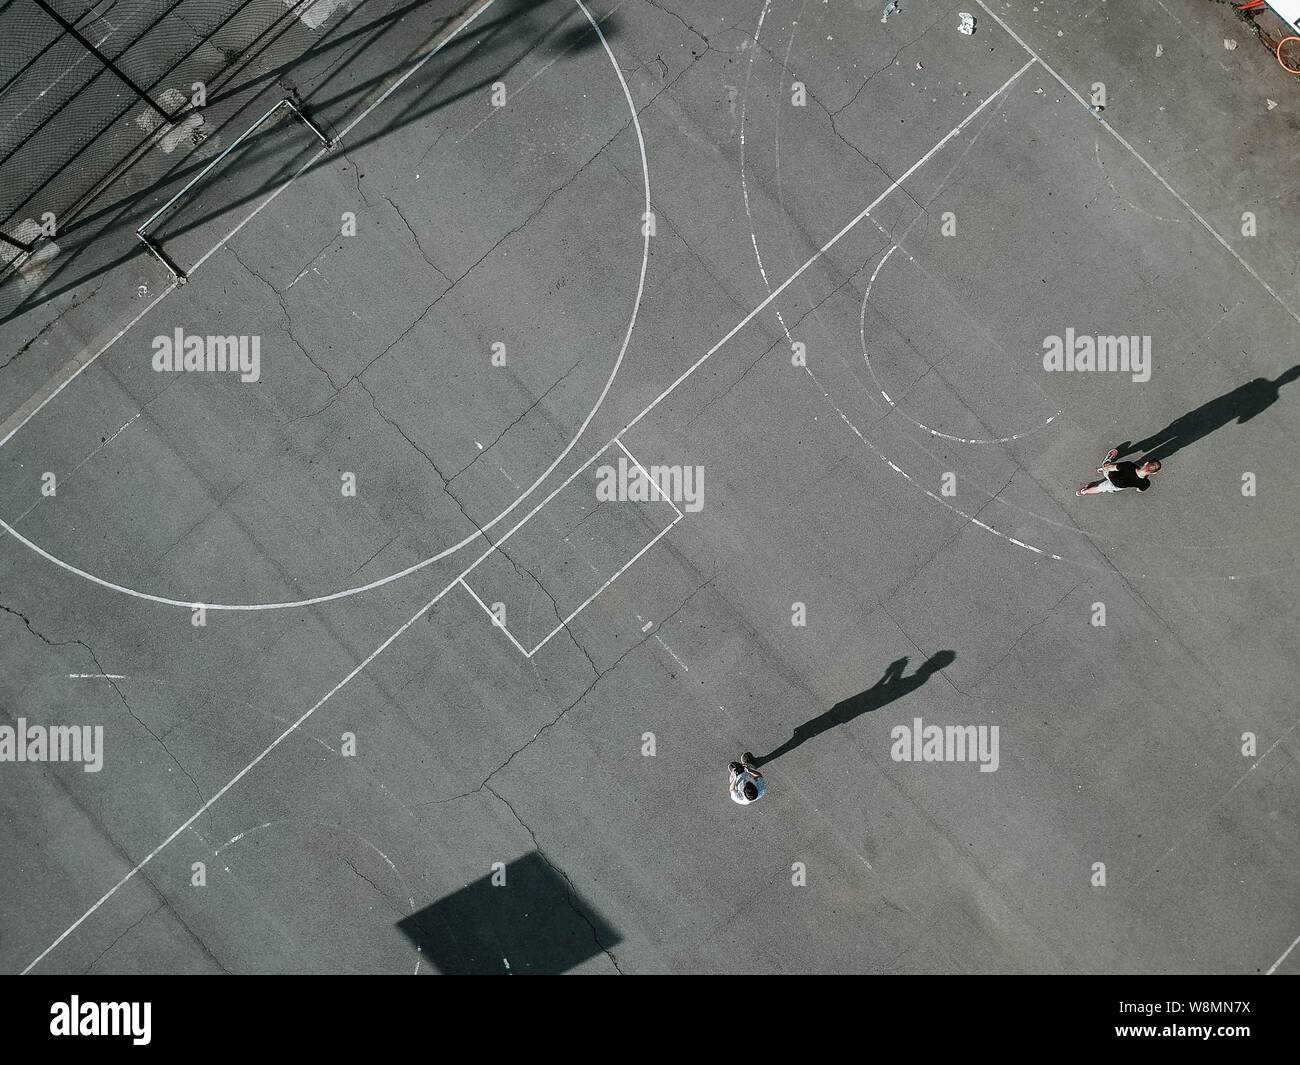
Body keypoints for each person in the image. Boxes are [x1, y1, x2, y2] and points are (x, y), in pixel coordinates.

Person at [1077, 447, 1160, 496]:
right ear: (1154, 473)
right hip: (1117, 486)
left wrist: (1105, 467)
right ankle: (1083, 492)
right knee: (1100, 488)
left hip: (1111, 475)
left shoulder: (1129, 465)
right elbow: (1139, 490)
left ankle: (1106, 462)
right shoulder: (1145, 483)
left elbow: (1112, 468)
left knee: (1107, 466)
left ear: (1146, 463)